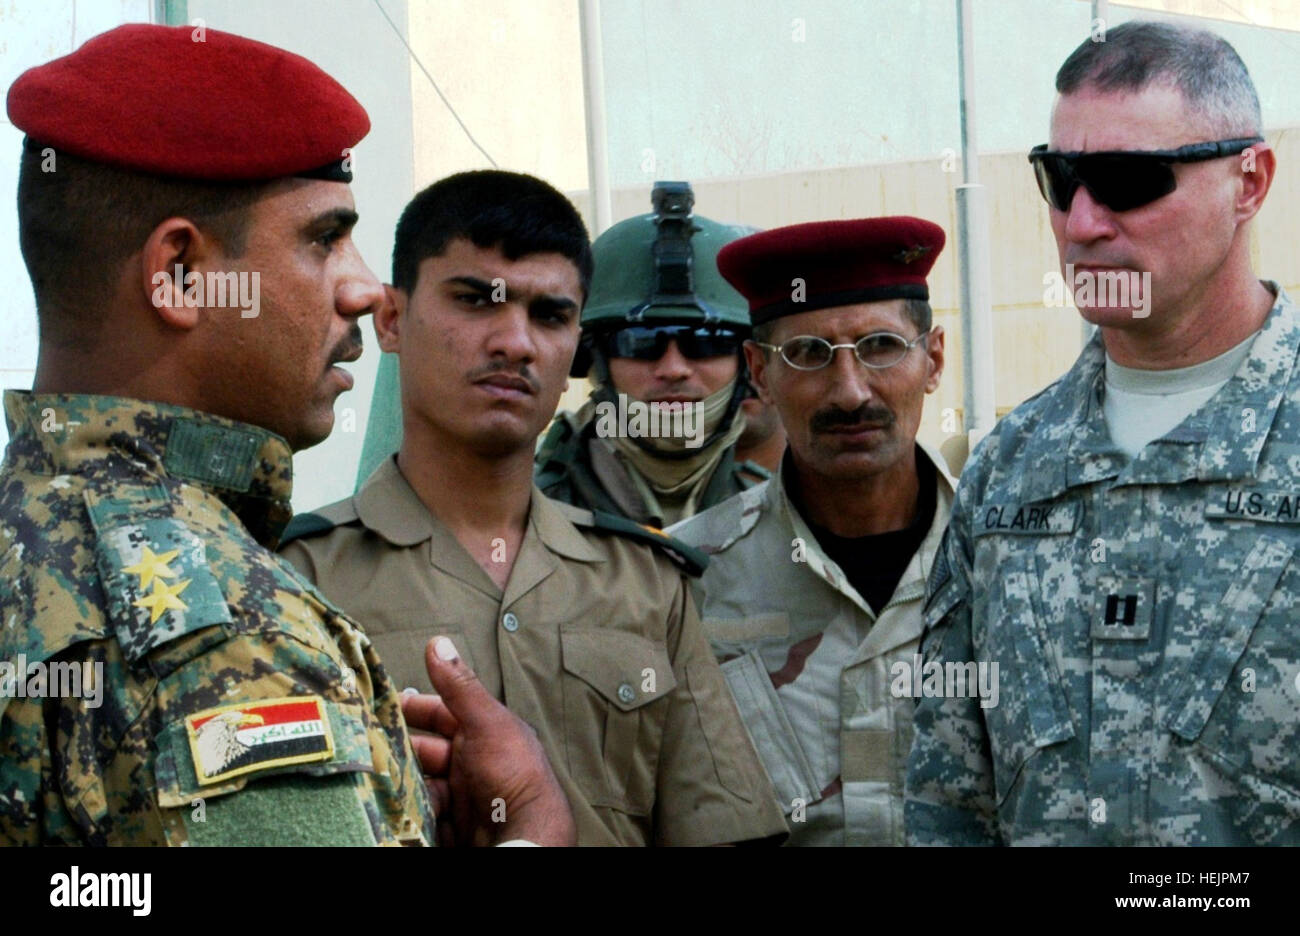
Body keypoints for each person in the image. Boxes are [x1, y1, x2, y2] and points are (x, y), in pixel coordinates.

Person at [0, 23, 572, 847]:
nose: (365, 289)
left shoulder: (29, 535)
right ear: (183, 275)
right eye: (323, 239)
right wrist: (532, 834)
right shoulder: (233, 636)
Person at [278, 170, 788, 847]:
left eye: (549, 315)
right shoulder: (297, 584)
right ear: (393, 320)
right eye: (476, 301)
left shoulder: (647, 584)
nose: (515, 343)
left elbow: (723, 832)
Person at [905, 20, 1300, 845]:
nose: (1082, 221)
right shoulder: (1008, 473)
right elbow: (949, 799)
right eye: (1061, 178)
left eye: (1127, 180)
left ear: (1249, 181)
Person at [671, 218, 954, 845]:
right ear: (759, 373)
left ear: (933, 358)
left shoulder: (1012, 560)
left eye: (881, 346)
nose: (850, 393)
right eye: (808, 354)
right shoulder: (682, 580)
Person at [535, 182, 769, 527]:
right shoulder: (522, 516)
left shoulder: (786, 518)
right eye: (640, 342)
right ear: (594, 360)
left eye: (705, 341)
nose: (674, 369)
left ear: (747, 363)